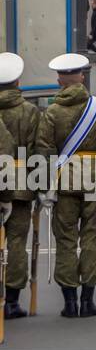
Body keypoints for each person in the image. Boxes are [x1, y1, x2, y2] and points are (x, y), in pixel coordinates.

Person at [35, 53, 96, 318]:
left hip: (63, 181)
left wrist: (44, 187)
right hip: (92, 177)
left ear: (59, 80)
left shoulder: (52, 112)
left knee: (66, 240)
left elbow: (44, 151)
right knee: (91, 237)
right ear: (81, 77)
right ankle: (88, 300)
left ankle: (70, 301)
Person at [0, 53, 40, 320]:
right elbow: (39, 151)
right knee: (16, 241)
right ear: (18, 82)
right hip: (21, 181)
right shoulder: (29, 111)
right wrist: (42, 186)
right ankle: (12, 300)